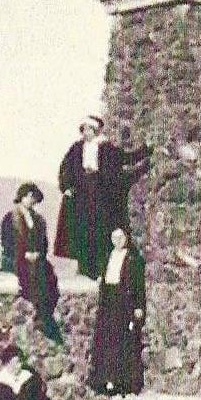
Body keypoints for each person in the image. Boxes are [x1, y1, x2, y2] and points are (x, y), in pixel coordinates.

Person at [54, 115, 150, 279]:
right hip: (81, 195)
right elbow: (65, 168)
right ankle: (84, 267)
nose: (86, 132)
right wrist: (66, 187)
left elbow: (124, 158)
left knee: (100, 230)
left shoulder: (106, 148)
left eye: (89, 129)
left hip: (99, 194)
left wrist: (144, 152)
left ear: (96, 130)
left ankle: (99, 268)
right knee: (82, 231)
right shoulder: (77, 148)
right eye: (84, 129)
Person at [0, 182, 62, 343]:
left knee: (49, 276)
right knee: (30, 276)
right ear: (22, 197)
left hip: (36, 258)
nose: (31, 200)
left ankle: (44, 315)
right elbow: (7, 242)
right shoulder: (10, 218)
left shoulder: (38, 219)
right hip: (16, 259)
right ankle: (39, 313)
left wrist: (38, 254)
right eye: (28, 196)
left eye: (33, 197)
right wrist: (23, 254)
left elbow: (44, 243)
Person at [89, 226, 146, 395]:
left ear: (126, 238)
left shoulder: (132, 259)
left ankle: (124, 381)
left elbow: (138, 286)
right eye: (114, 238)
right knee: (106, 341)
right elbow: (104, 277)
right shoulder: (109, 256)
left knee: (122, 342)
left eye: (121, 237)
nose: (118, 241)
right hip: (108, 302)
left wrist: (139, 306)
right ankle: (105, 379)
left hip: (124, 303)